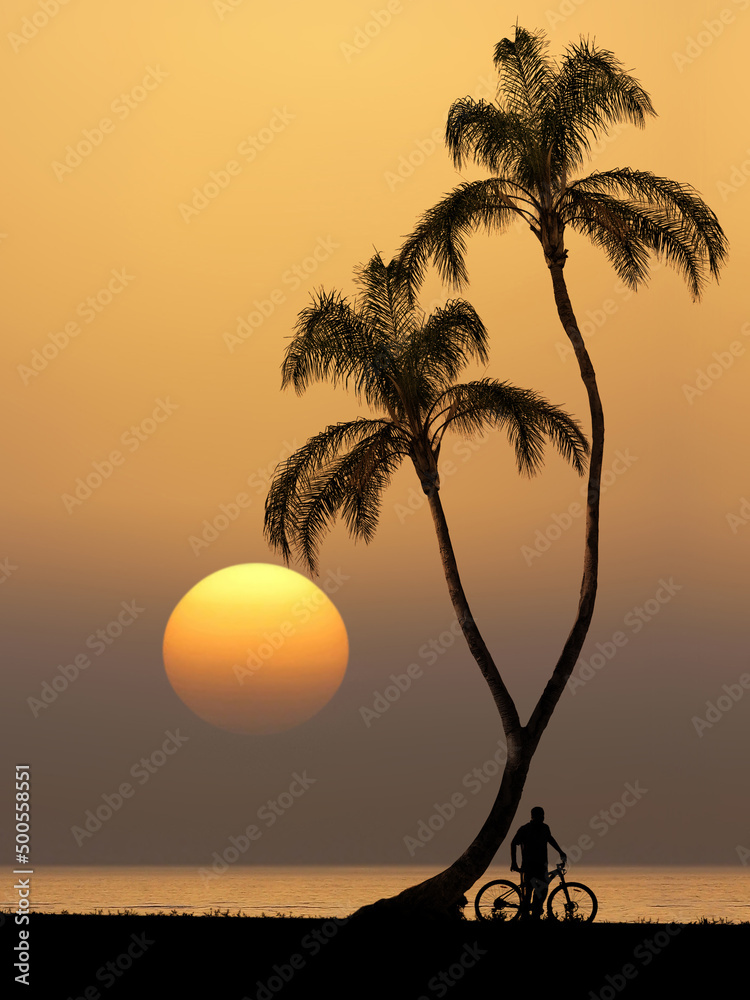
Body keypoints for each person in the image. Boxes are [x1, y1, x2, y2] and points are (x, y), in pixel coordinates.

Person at [510, 806, 567, 919]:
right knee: (528, 892)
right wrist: (514, 863)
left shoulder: (545, 828)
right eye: (539, 816)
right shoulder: (525, 829)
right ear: (533, 816)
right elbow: (513, 844)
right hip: (528, 866)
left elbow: (550, 839)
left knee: (542, 890)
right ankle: (525, 916)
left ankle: (535, 914)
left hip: (542, 865)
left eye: (543, 816)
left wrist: (560, 851)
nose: (542, 818)